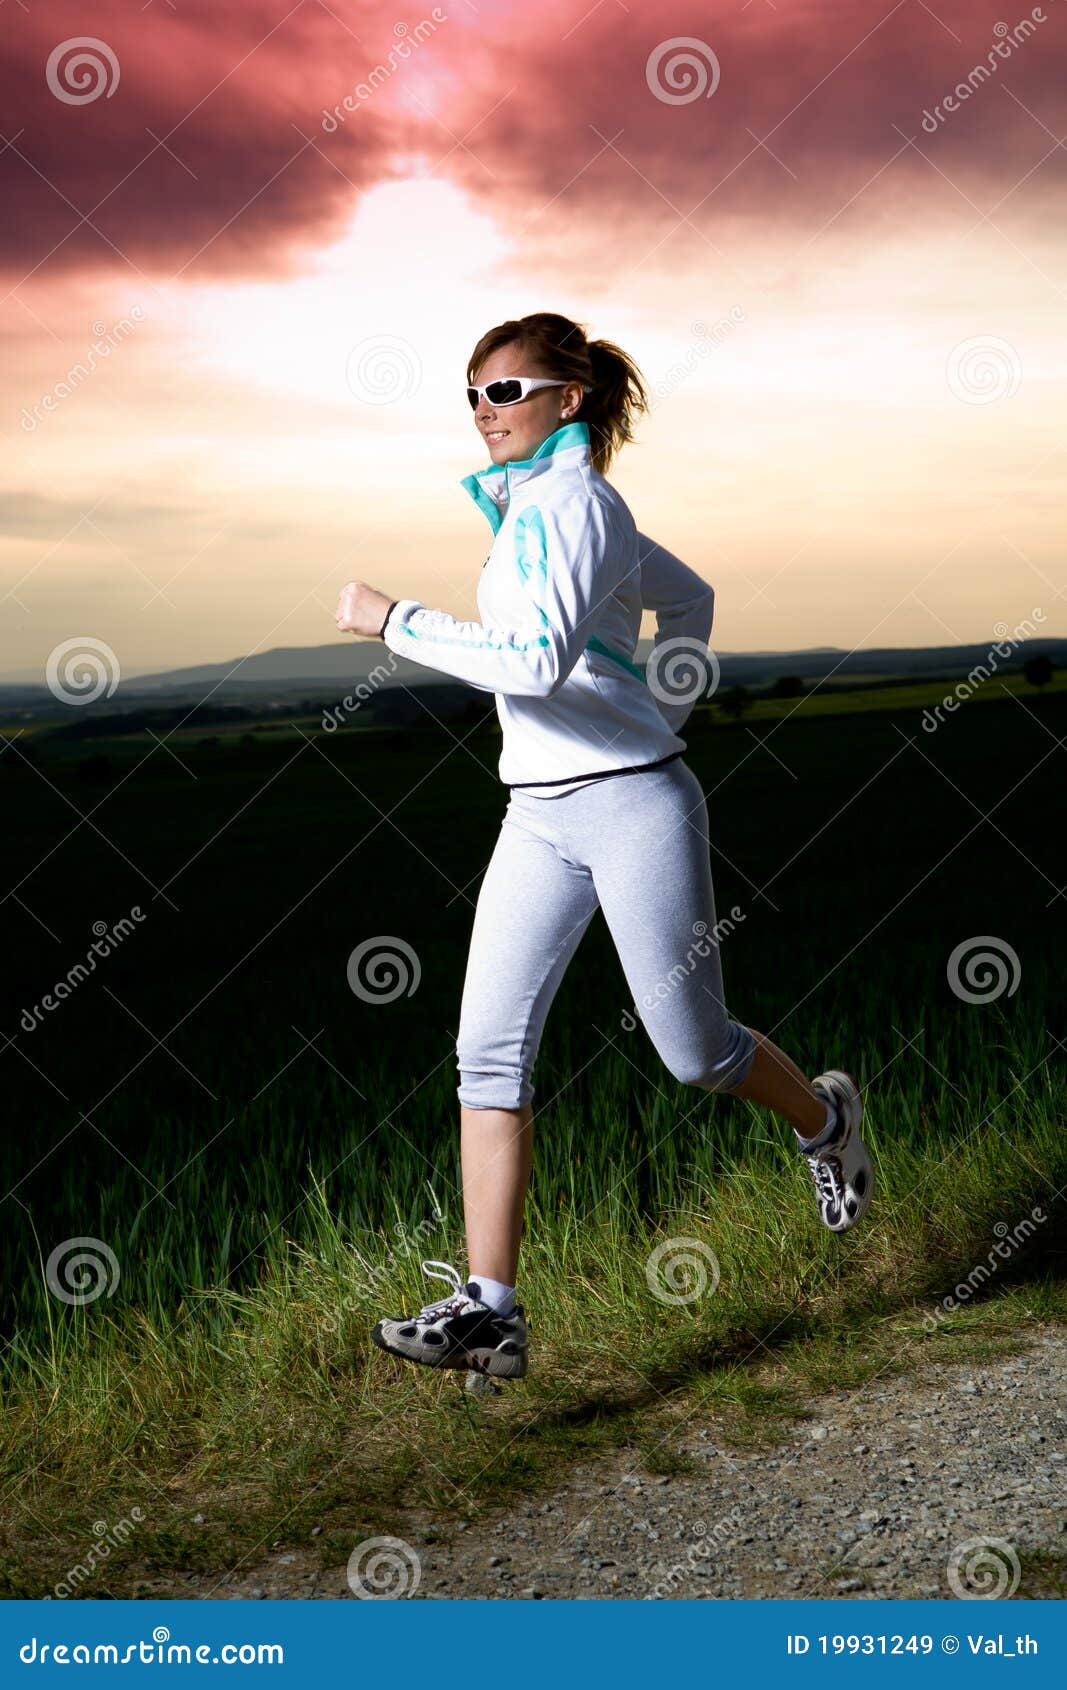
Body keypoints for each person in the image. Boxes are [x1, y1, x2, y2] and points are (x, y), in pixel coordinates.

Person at [334, 312, 873, 1381]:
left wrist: (394, 619)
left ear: (563, 399)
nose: (483, 413)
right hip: (534, 811)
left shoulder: (575, 505)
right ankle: (490, 1311)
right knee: (485, 1054)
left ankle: (825, 1119)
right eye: (472, 395)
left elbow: (530, 662)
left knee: (694, 1052)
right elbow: (685, 599)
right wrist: (644, 678)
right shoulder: (534, 507)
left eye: (504, 391)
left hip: (632, 804)